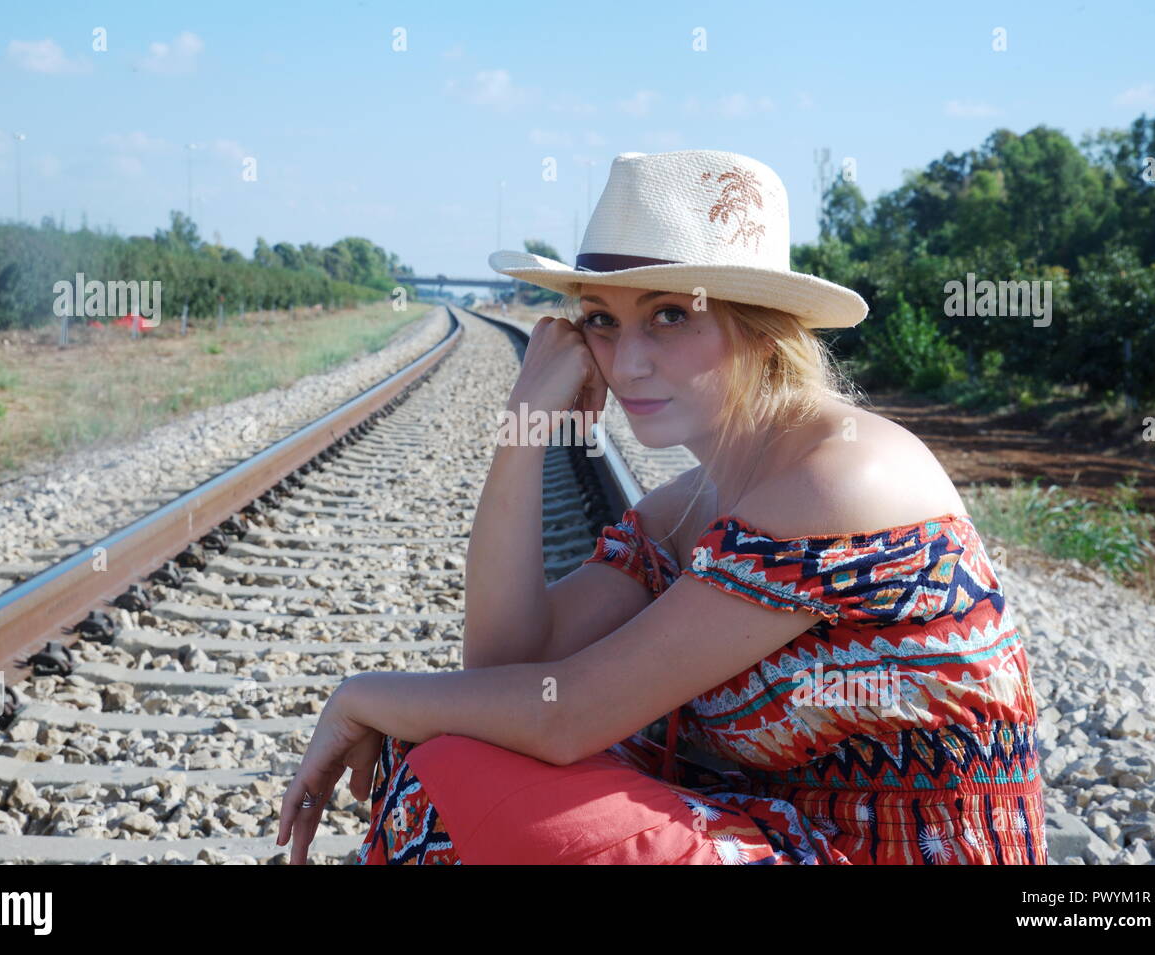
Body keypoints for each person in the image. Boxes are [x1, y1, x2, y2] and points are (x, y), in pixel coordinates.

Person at [275, 149, 1047, 864]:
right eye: (603, 321)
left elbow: (564, 713)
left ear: (758, 324)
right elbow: (511, 666)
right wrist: (523, 429)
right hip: (790, 830)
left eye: (670, 314)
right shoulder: (690, 507)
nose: (628, 360)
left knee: (444, 776)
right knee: (452, 758)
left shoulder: (843, 475)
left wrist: (363, 693)